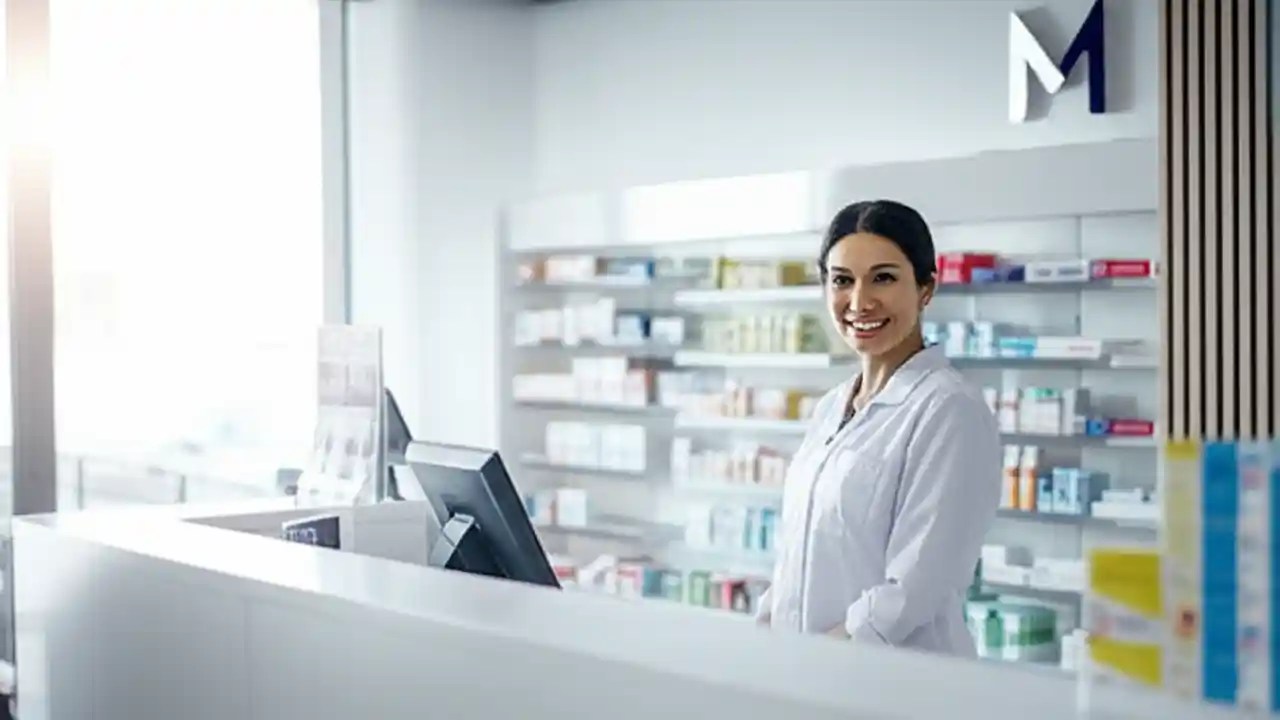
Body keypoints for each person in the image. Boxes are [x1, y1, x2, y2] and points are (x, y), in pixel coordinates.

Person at [755, 199, 1001, 657]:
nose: (860, 301)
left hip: (890, 684)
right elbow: (797, 556)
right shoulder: (831, 407)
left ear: (927, 287)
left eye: (883, 278)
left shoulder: (949, 409)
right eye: (842, 280)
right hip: (809, 677)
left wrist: (815, 659)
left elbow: (912, 591)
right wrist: (768, 641)